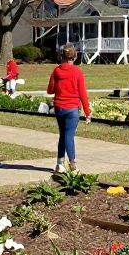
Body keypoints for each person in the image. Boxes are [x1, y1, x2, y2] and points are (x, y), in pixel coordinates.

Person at [46, 44, 91, 174]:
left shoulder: (56, 71)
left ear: (62, 56)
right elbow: (83, 93)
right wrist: (87, 113)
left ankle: (60, 164)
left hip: (59, 107)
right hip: (72, 109)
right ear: (75, 56)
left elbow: (50, 90)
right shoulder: (77, 72)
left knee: (63, 135)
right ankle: (72, 164)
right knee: (69, 136)